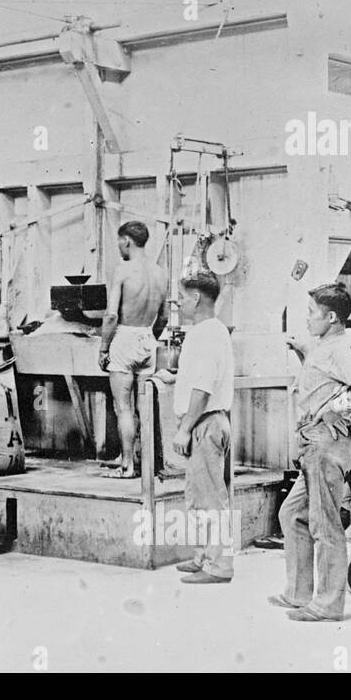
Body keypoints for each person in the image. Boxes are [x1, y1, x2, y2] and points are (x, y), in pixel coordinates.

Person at [270, 282, 351, 622]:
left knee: (325, 525)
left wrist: (336, 404)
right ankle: (299, 592)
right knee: (291, 515)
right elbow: (323, 375)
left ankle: (328, 604)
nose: (307, 319)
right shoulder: (325, 347)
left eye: (311, 313)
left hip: (326, 445)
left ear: (331, 316)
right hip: (313, 445)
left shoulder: (339, 350)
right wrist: (302, 351)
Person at [169, 272, 235, 584]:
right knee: (197, 495)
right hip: (203, 420)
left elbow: (204, 387)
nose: (179, 302)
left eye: (182, 296)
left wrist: (184, 428)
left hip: (205, 423)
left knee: (211, 498)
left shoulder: (209, 333)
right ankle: (204, 556)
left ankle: (219, 567)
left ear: (196, 298)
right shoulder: (204, 331)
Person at [98, 221, 169, 478]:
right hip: (148, 338)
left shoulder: (123, 270)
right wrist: (150, 336)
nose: (119, 246)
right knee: (145, 407)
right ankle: (145, 464)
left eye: (119, 241)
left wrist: (104, 348)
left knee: (123, 408)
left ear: (126, 240)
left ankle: (127, 466)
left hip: (125, 336)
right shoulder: (161, 273)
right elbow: (164, 317)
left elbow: (110, 317)